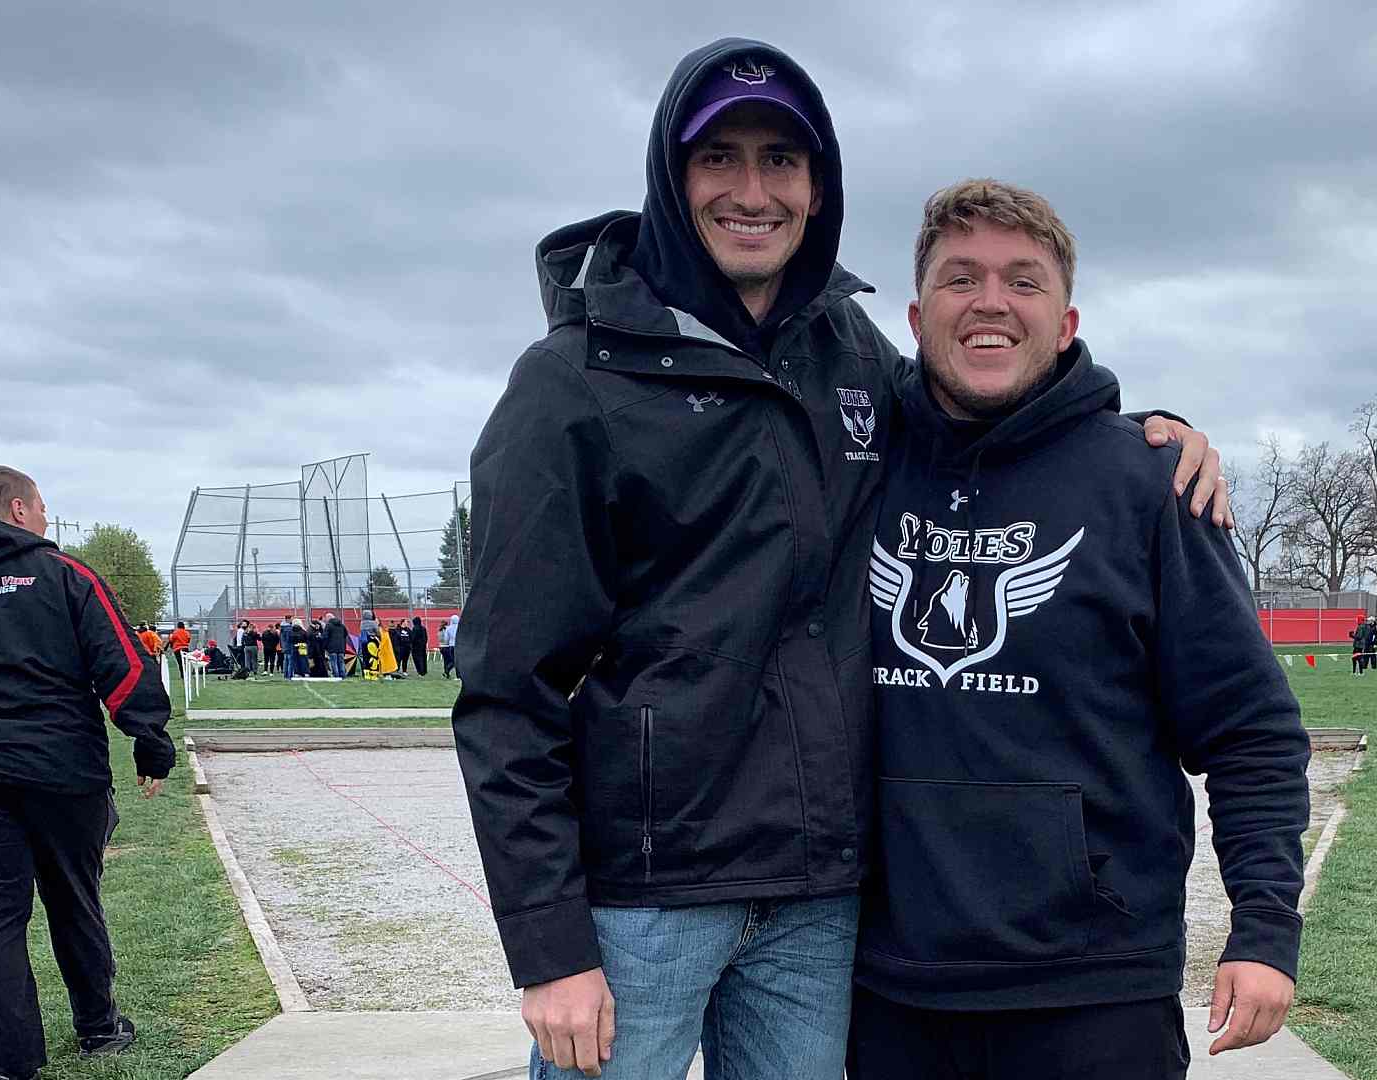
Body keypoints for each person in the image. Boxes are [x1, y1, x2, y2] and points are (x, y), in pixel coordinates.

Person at [451, 38, 1226, 1080]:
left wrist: (1140, 435)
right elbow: (507, 690)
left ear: (818, 189)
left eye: (781, 159)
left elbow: (984, 398)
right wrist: (550, 947)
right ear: (672, 177)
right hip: (648, 902)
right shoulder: (571, 383)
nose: (752, 190)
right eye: (719, 157)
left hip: (817, 905)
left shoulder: (849, 353)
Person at [844, 180, 1308, 1078]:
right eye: (960, 278)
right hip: (889, 990)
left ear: (1065, 324)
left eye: (1023, 281)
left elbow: (1250, 728)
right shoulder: (856, 465)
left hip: (1096, 987)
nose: (990, 302)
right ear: (915, 316)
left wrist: (1264, 926)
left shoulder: (1150, 485)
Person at [0, 465, 173, 1080]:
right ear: (19, 509)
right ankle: (98, 1027)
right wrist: (150, 739)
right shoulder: (65, 574)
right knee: (74, 899)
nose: (47, 517)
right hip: (62, 770)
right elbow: (122, 663)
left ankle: (7, 1065)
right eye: (42, 506)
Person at [324, 613, 350, 681]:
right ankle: (343, 676)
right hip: (341, 647)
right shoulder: (342, 625)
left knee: (334, 662)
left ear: (328, 618)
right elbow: (346, 635)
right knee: (341, 662)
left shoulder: (328, 625)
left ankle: (336, 676)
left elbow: (325, 637)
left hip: (332, 648)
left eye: (326, 618)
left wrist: (325, 647)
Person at [437, 614, 458, 679]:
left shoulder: (448, 628)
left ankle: (446, 672)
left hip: (451, 646)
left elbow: (446, 639)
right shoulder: (459, 627)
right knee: (456, 661)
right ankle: (447, 671)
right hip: (458, 645)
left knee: (449, 660)